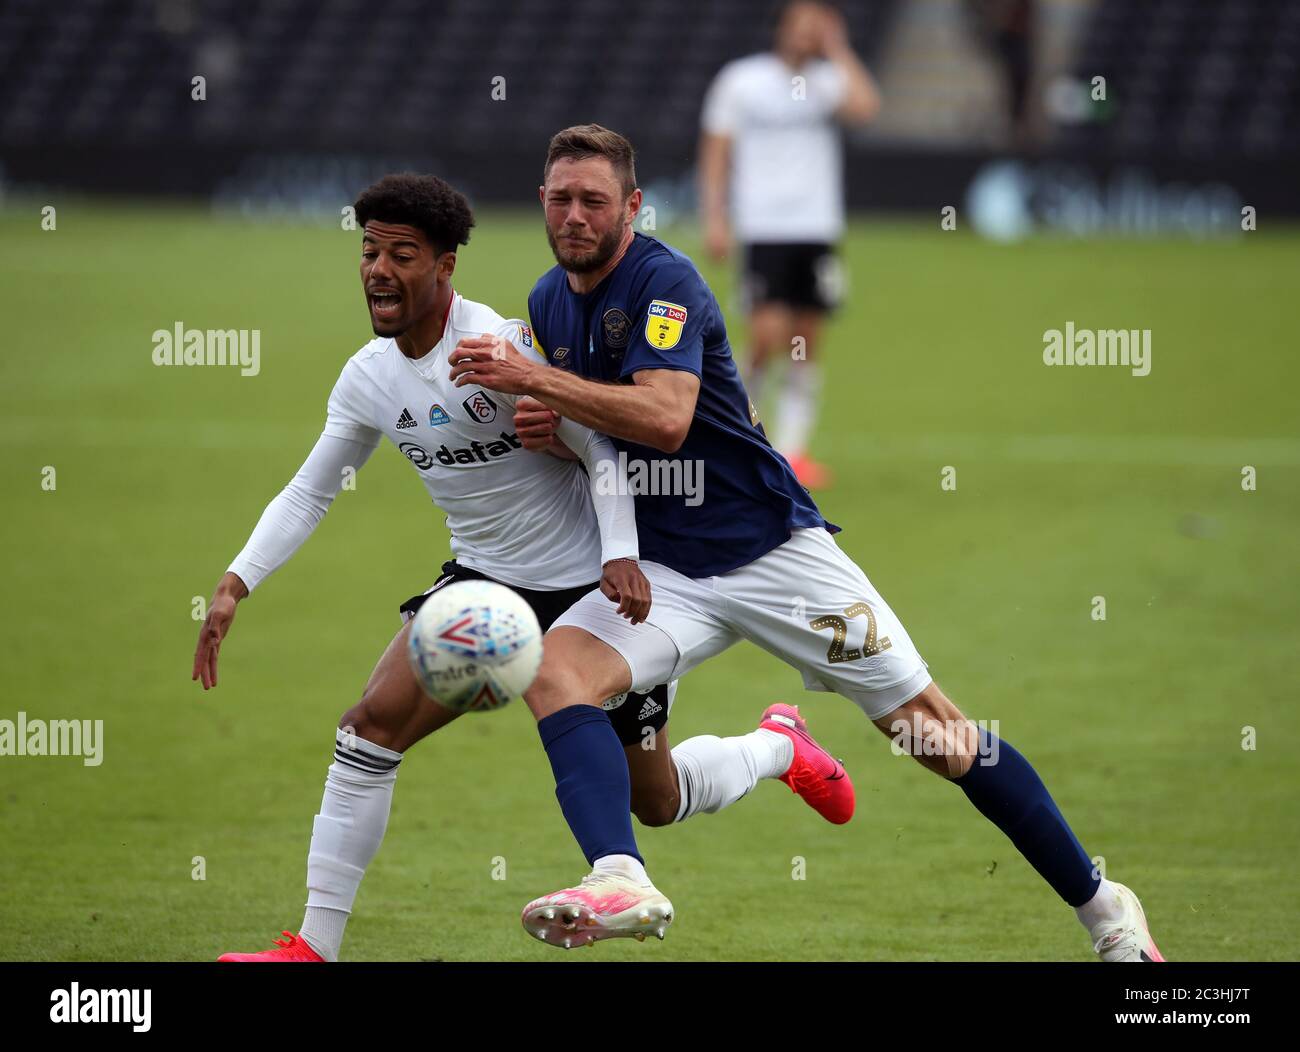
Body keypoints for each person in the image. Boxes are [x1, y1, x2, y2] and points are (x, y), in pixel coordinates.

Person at [449, 126, 1163, 961]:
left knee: (936, 736)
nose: (575, 216)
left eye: (594, 201)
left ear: (632, 207)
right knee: (557, 677)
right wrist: (555, 430)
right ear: (541, 200)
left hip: (772, 554)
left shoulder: (664, 282)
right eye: (562, 199)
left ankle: (1106, 910)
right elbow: (599, 436)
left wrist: (535, 381)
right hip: (666, 571)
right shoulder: (547, 300)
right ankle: (623, 876)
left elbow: (667, 419)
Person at [199, 173, 851, 963]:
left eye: (402, 255)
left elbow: (601, 449)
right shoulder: (368, 378)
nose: (378, 270)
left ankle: (778, 747)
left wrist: (621, 554)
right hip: (484, 588)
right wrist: (235, 583)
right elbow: (310, 491)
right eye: (369, 252)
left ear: (445, 267)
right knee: (368, 731)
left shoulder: (504, 348)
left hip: (590, 593)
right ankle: (313, 947)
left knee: (656, 798)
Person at [698, 0, 881, 488]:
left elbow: (867, 107)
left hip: (816, 229)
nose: (805, 33)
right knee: (765, 338)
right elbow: (716, 150)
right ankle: (737, 434)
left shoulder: (828, 81)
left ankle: (793, 452)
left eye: (815, 26)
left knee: (806, 343)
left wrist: (838, 49)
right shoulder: (743, 80)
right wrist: (715, 217)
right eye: (799, 24)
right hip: (763, 229)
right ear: (781, 27)